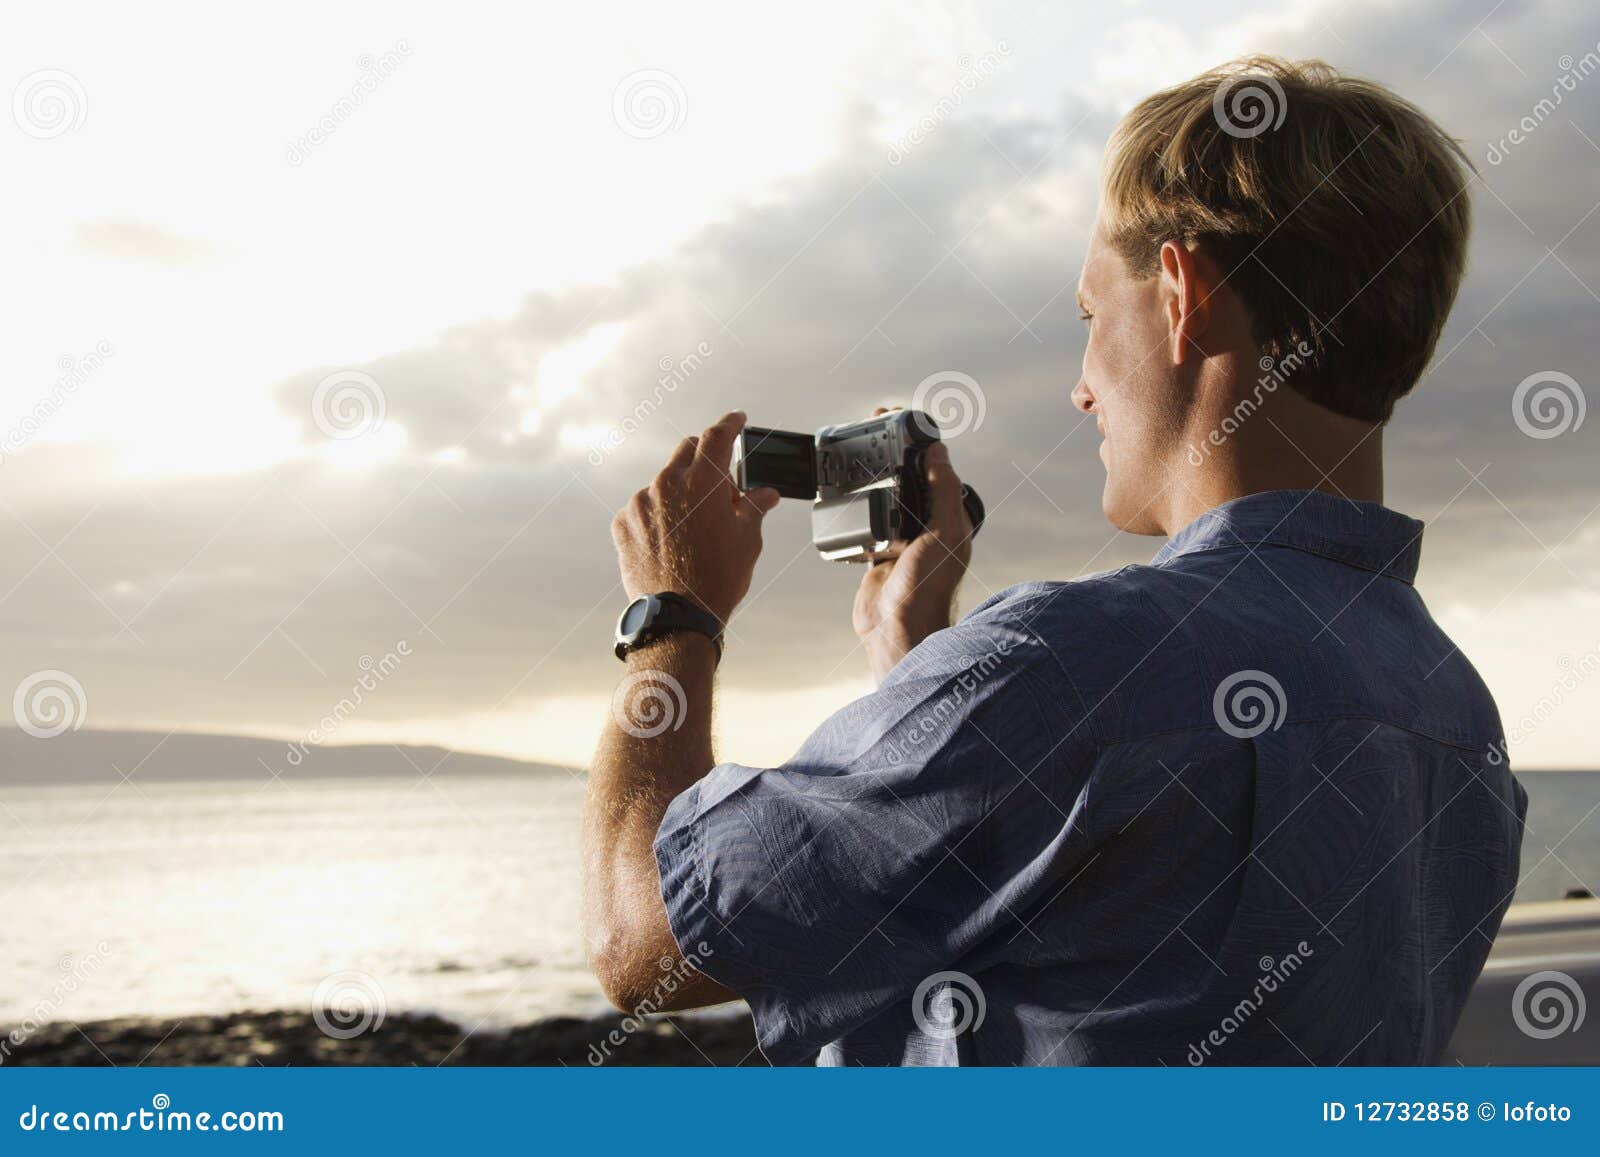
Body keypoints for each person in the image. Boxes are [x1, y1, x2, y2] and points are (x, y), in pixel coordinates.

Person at [582, 56, 1527, 1065]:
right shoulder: (1454, 712)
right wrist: (914, 661)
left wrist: (671, 620)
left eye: (1088, 318)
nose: (1081, 389)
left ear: (1183, 293)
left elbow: (642, 945)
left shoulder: (1069, 661)